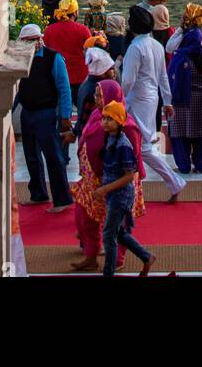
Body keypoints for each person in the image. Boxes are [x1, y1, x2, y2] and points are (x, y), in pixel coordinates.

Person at [70, 78, 145, 273]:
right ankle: (91, 255)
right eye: (96, 94)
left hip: (114, 185)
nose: (95, 99)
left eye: (99, 95)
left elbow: (131, 167)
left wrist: (107, 186)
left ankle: (118, 261)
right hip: (92, 180)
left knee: (117, 228)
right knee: (86, 216)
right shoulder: (99, 115)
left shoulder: (127, 127)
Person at [121, 6, 187, 199]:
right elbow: (163, 76)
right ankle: (136, 185)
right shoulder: (156, 45)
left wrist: (119, 100)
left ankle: (172, 182)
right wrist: (167, 101)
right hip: (151, 99)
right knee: (140, 145)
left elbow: (127, 80)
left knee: (142, 147)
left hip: (136, 100)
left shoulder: (135, 47)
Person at [11, 22, 73, 212]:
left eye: (33, 41)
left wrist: (65, 116)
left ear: (39, 40)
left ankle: (62, 200)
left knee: (53, 157)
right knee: (31, 156)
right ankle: (38, 194)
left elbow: (64, 88)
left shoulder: (53, 58)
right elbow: (16, 88)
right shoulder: (21, 58)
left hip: (46, 114)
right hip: (27, 112)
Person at [97, 101, 156, 277]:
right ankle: (146, 257)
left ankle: (108, 273)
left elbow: (130, 175)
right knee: (119, 233)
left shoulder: (123, 145)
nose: (106, 122)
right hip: (113, 194)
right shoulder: (110, 139)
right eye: (104, 118)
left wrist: (105, 189)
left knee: (109, 235)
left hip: (121, 196)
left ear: (120, 122)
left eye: (111, 119)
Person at [167, 21, 202, 174]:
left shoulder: (179, 57)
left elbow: (170, 78)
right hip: (201, 101)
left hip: (181, 101)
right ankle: (200, 165)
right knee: (200, 135)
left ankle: (184, 166)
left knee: (180, 135)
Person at [42, 0, 93, 110]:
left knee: (61, 110)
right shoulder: (83, 30)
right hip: (80, 77)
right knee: (82, 110)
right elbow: (91, 53)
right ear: (75, 12)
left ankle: (62, 125)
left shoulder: (49, 30)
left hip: (57, 77)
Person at [72, 43, 116, 139]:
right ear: (103, 71)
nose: (114, 71)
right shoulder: (98, 91)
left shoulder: (86, 83)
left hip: (86, 135)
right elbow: (85, 117)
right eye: (110, 68)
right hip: (94, 137)